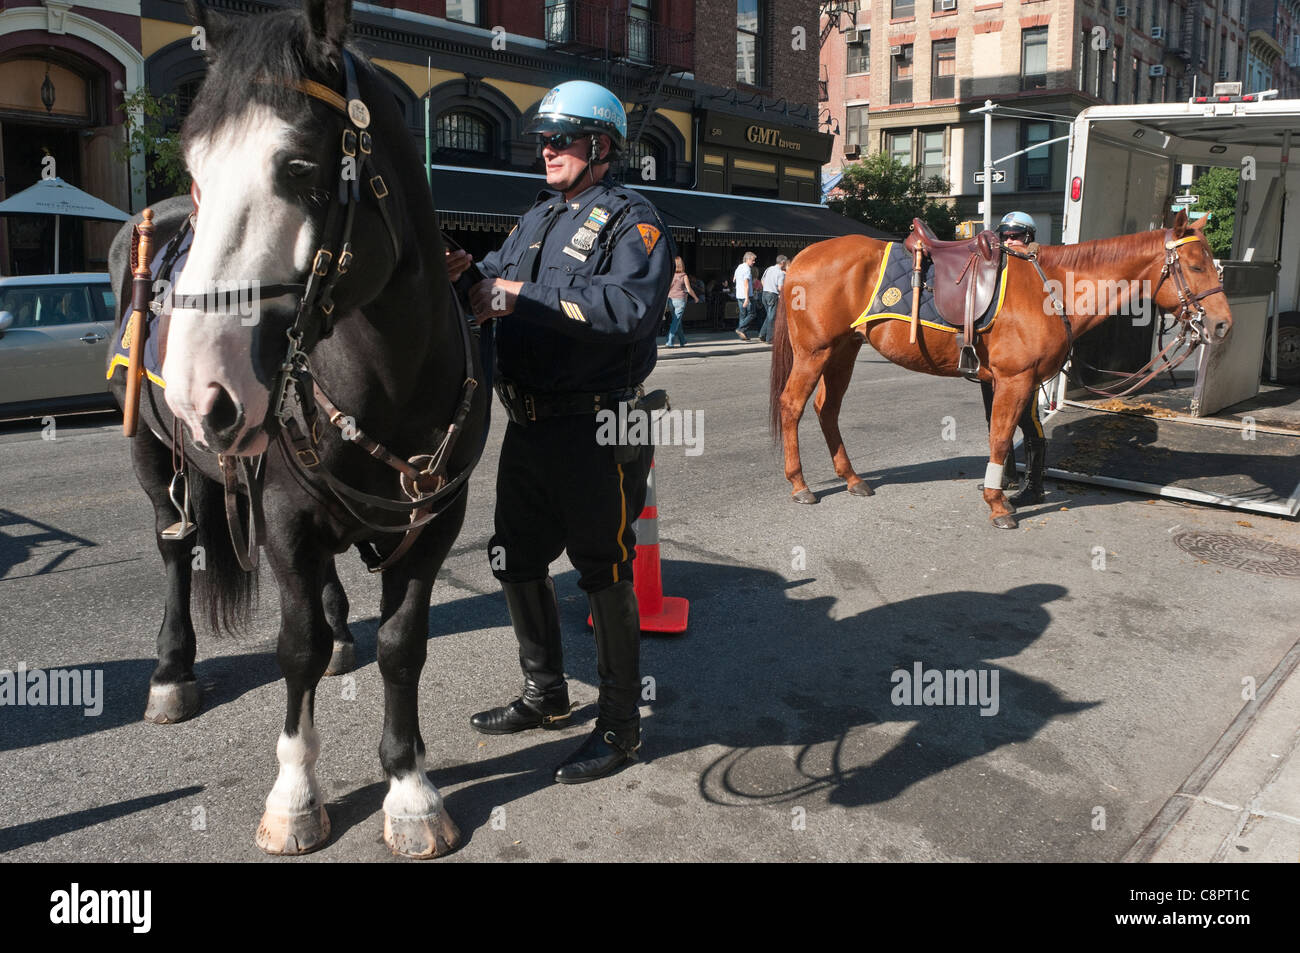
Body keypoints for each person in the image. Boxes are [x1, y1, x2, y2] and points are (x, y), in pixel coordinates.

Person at [446, 80, 673, 785]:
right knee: (511, 557)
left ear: (601, 145)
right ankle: (546, 693)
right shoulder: (537, 216)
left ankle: (619, 723)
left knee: (603, 567)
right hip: (531, 419)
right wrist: (468, 277)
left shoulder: (633, 221)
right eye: (542, 139)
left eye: (562, 139)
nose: (546, 150)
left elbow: (629, 308)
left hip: (599, 420)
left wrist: (522, 297)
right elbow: (498, 279)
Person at [979, 211, 1045, 503]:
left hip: (1024, 358)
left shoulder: (1039, 269)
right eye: (1005, 235)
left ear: (1029, 238)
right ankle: (1006, 475)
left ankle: (1034, 485)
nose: (1010, 241)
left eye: (1016, 236)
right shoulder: (996, 268)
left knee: (1028, 420)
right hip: (995, 358)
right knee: (995, 419)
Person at [665, 255, 699, 347]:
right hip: (680, 300)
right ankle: (669, 340)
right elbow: (688, 289)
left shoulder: (670, 275)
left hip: (670, 299)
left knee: (677, 320)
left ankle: (682, 340)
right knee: (676, 321)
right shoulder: (684, 276)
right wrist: (695, 297)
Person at [758, 254, 788, 344]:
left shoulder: (769, 269)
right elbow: (780, 288)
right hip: (773, 295)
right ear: (782, 262)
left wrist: (767, 288)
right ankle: (769, 338)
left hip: (764, 293)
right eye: (785, 263)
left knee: (769, 315)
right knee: (772, 317)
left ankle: (762, 334)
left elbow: (762, 280)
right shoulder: (780, 273)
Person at [733, 251, 760, 341]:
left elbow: (734, 279)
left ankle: (742, 335)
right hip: (746, 295)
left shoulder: (739, 267)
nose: (754, 262)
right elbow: (746, 284)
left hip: (739, 295)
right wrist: (747, 298)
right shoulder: (747, 269)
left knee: (743, 315)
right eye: (753, 260)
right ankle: (740, 329)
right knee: (752, 314)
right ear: (748, 259)